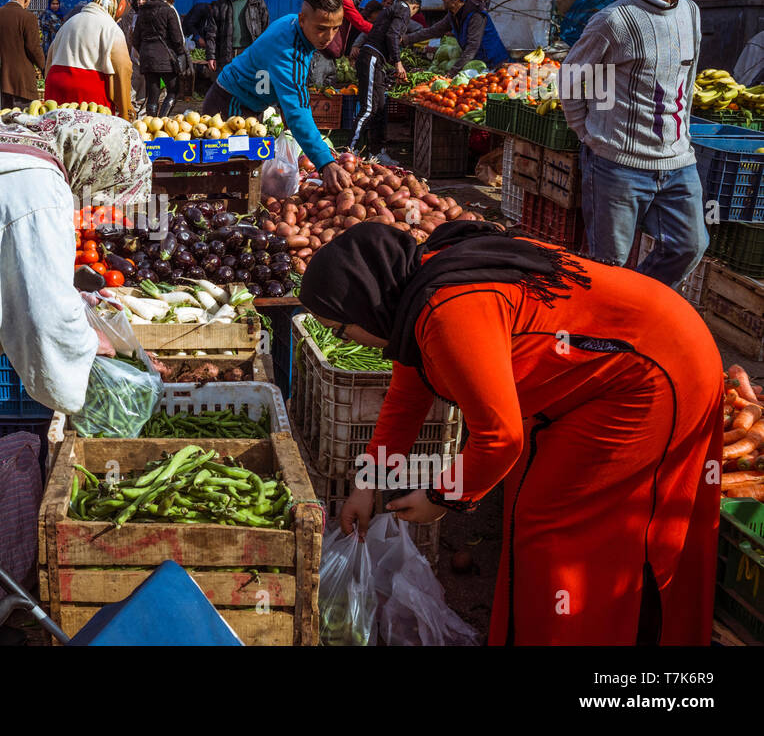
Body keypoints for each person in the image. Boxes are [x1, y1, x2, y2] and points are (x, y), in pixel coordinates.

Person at [300, 220, 720, 646]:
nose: (345, 337)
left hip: (652, 372)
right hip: (601, 374)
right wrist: (368, 483)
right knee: (529, 514)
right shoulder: (416, 291)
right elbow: (408, 397)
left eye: (340, 328)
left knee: (564, 532)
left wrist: (443, 499)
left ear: (364, 301)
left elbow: (498, 438)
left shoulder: (448, 309)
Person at [0, 108, 152, 475]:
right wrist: (91, 343)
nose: (100, 203)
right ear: (97, 167)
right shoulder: (40, 189)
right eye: (109, 189)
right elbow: (45, 318)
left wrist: (75, 296)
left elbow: (5, 257)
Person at [562, 0, 715, 287]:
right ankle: (601, 336)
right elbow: (574, 76)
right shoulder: (615, 21)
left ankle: (637, 302)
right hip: (617, 166)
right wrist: (588, 131)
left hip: (678, 164)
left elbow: (686, 82)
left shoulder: (691, 13)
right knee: (608, 265)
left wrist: (682, 136)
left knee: (690, 246)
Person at [203, 0, 351, 192]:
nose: (329, 36)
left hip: (249, 103)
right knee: (234, 176)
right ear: (303, 19)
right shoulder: (289, 51)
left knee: (246, 174)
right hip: (231, 104)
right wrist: (325, 162)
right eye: (321, 28)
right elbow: (298, 112)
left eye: (336, 28)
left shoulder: (292, 24)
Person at [349, 0, 422, 163]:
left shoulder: (393, 9)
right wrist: (398, 62)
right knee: (368, 108)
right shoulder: (404, 8)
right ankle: (350, 151)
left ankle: (377, 152)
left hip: (377, 61)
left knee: (380, 108)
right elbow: (392, 35)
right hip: (371, 58)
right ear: (415, 6)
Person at [44, 0, 133, 119]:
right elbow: (123, 68)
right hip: (88, 94)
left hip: (56, 86)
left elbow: (50, 59)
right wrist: (125, 109)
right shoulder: (111, 28)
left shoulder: (69, 22)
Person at [402, 0, 509, 72]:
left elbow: (472, 46)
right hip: (478, 63)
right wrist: (406, 39)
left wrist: (454, 70)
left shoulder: (476, 15)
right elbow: (432, 31)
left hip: (493, 62)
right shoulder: (452, 15)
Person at [0, 0, 46, 109]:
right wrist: (44, 67)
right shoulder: (28, 18)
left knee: (2, 121)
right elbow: (34, 48)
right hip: (21, 83)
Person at [132, 0, 186, 118]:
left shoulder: (142, 10)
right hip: (165, 59)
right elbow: (177, 38)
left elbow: (135, 38)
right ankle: (162, 121)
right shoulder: (168, 10)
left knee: (152, 94)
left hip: (147, 58)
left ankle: (152, 124)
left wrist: (144, 51)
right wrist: (180, 53)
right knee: (173, 90)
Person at [203, 0, 269, 72]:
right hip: (228, 53)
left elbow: (265, 30)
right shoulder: (221, 3)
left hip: (250, 52)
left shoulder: (257, 2)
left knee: (247, 84)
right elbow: (211, 32)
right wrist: (211, 56)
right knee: (228, 85)